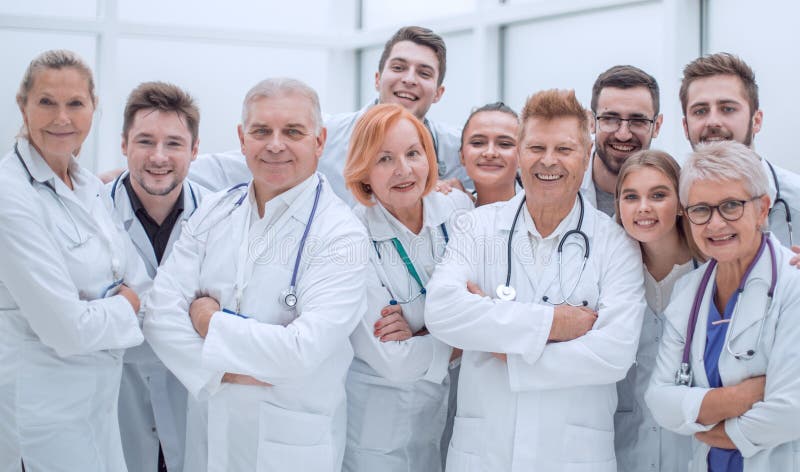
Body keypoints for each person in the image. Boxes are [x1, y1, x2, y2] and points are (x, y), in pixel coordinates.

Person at [144, 77, 369, 472]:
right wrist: (218, 373)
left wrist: (207, 320)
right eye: (261, 131)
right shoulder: (214, 211)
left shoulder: (341, 233)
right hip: (210, 438)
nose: (275, 144)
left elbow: (301, 351)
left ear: (319, 142)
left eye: (293, 132)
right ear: (242, 138)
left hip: (292, 449)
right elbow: (159, 314)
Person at [424, 89, 646, 471]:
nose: (548, 162)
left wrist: (504, 347)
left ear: (587, 152)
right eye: (536, 147)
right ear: (521, 153)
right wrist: (554, 324)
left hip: (573, 456)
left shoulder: (615, 241)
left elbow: (614, 354)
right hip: (484, 453)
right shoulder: (477, 226)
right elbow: (442, 311)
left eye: (564, 149)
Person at [0, 49, 147, 471]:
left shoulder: (88, 186)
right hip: (41, 416)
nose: (61, 118)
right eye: (47, 102)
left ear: (93, 109)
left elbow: (137, 277)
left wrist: (103, 307)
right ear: (22, 106)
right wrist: (126, 306)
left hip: (96, 407)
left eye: (75, 104)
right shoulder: (11, 196)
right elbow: (65, 330)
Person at [646, 141, 800, 471]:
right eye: (700, 210)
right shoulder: (689, 291)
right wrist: (737, 399)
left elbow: (790, 411)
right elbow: (658, 399)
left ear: (762, 209)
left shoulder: (793, 284)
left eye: (731, 205)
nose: (715, 224)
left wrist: (716, 429)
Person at [185, 26, 471, 202]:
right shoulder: (326, 135)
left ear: (438, 93)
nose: (409, 79)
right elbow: (230, 168)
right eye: (398, 67)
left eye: (423, 73)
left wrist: (466, 196)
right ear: (377, 78)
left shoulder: (459, 148)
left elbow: (503, 188)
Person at [340, 103, 471, 471]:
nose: (404, 170)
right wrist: (463, 336)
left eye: (413, 153)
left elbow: (491, 305)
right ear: (363, 172)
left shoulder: (457, 210)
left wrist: (421, 331)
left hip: (451, 418)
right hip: (380, 432)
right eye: (384, 159)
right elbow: (392, 361)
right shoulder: (351, 238)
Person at [109, 81, 207, 472]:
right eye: (145, 141)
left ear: (195, 150)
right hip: (116, 411)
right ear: (124, 144)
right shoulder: (91, 216)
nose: (159, 157)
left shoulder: (220, 218)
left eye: (174, 143)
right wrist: (193, 316)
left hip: (193, 413)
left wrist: (125, 310)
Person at [613, 150, 694, 471]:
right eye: (631, 196)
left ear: (681, 202)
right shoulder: (609, 275)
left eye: (658, 195)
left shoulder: (711, 275)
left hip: (693, 449)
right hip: (625, 449)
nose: (643, 207)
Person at [680, 52, 800, 248]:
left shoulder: (796, 198)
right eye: (700, 111)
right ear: (685, 127)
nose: (713, 122)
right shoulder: (673, 206)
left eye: (727, 108)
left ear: (757, 121)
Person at [583, 65, 663, 215]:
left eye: (638, 121)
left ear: (657, 126)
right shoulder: (561, 184)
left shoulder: (678, 192)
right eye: (610, 119)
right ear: (592, 123)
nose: (623, 135)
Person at [459, 102, 520, 206]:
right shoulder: (445, 211)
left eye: (504, 144)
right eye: (478, 143)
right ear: (462, 156)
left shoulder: (544, 215)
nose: (490, 153)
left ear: (522, 156)